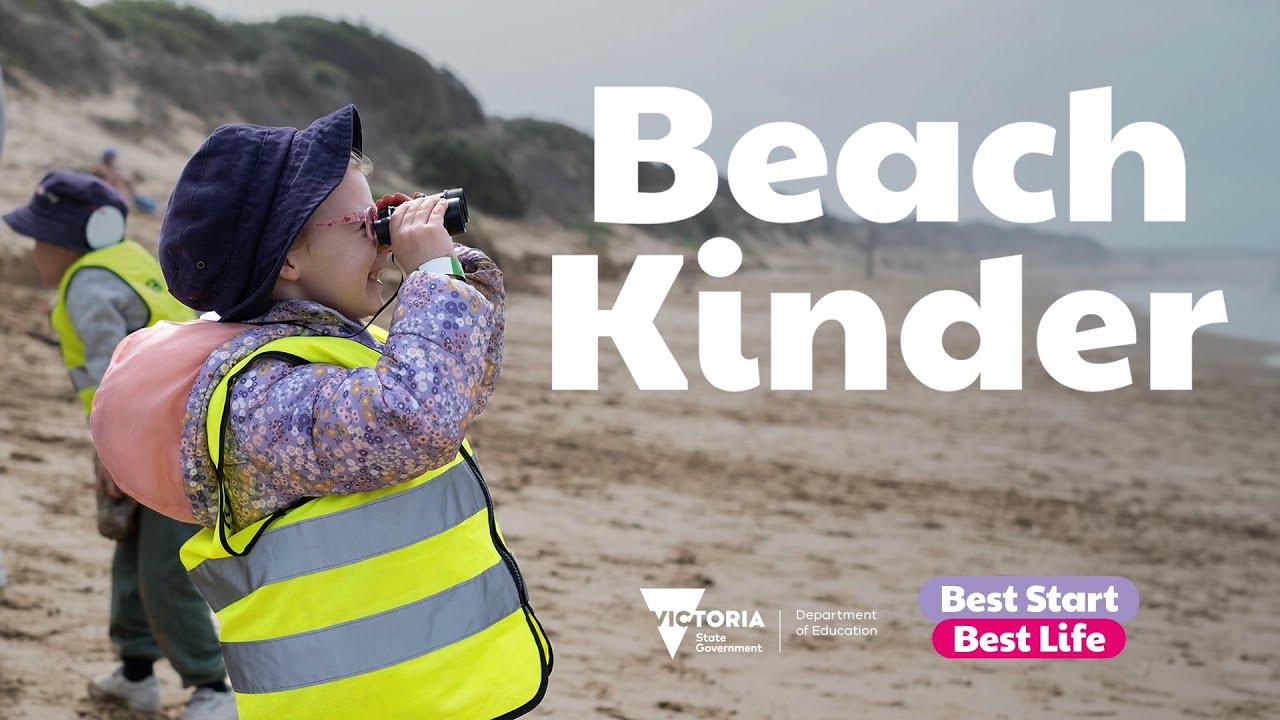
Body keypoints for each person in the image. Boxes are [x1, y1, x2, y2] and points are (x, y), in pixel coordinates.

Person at [91, 105, 552, 719]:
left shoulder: (339, 359)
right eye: (367, 225)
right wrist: (431, 275)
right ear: (287, 261)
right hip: (347, 702)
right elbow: (419, 419)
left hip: (421, 689)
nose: (383, 238)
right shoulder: (259, 396)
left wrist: (452, 274)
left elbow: (459, 382)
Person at [1, 171, 237, 720]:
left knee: (162, 568)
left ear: (70, 244)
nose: (34, 252)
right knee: (132, 553)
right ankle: (135, 674)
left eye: (42, 240)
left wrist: (112, 455)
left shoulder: (88, 285)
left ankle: (212, 687)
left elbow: (117, 382)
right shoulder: (127, 261)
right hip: (179, 432)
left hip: (167, 446)